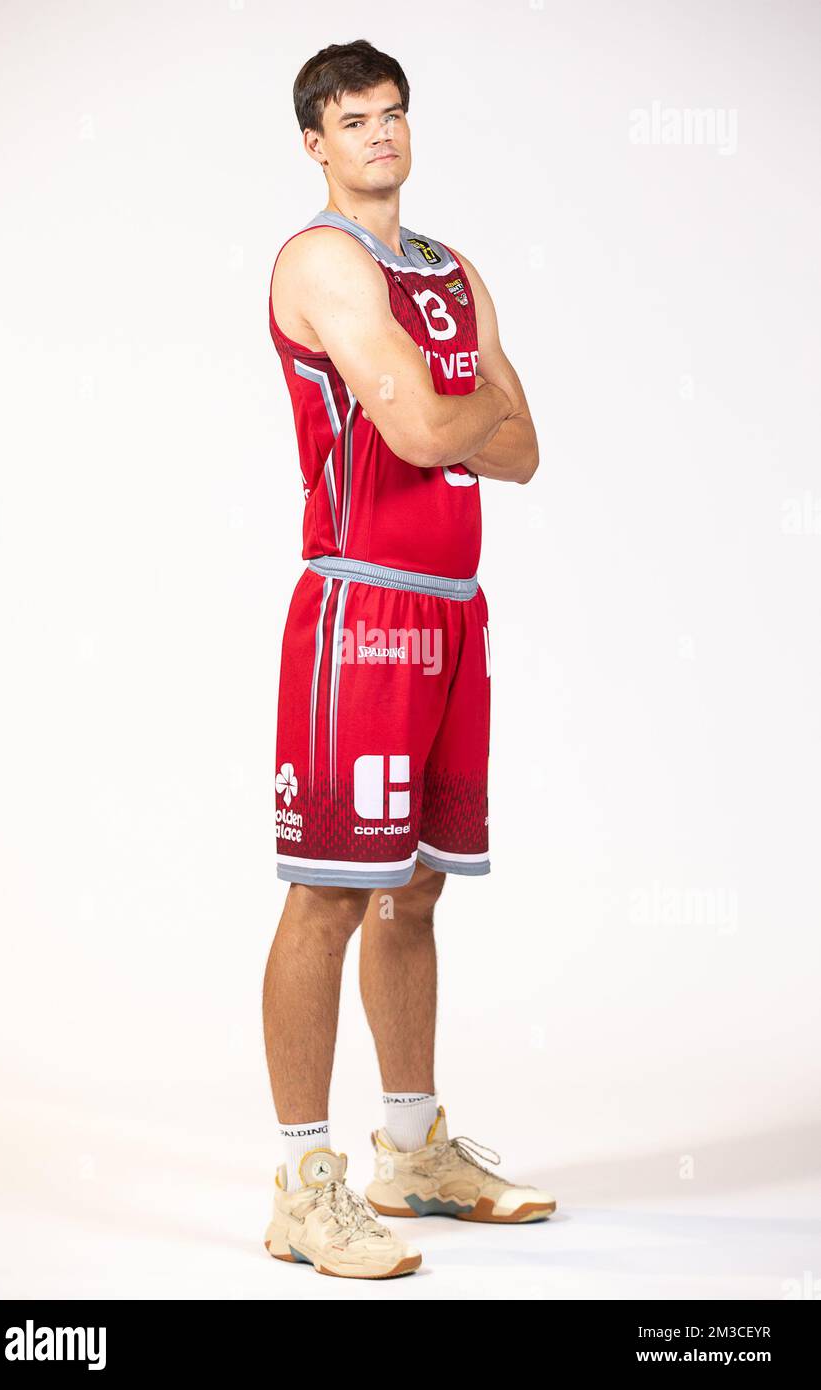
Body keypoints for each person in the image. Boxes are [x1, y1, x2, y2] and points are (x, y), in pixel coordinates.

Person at [262, 38, 555, 1280]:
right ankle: (301, 1181)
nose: (378, 133)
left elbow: (523, 443)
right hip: (359, 609)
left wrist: (453, 422)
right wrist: (453, 420)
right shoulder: (321, 260)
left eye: (391, 112)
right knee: (330, 891)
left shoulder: (449, 270)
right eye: (351, 118)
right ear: (316, 144)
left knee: (415, 887)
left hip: (452, 608)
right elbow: (424, 418)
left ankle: (411, 1148)